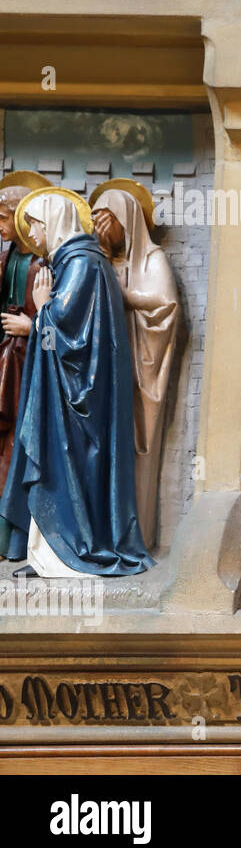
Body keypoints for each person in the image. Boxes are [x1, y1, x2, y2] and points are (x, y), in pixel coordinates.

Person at [0, 188, 151, 577]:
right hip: (66, 390)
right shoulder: (73, 261)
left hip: (76, 397)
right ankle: (47, 553)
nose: (32, 234)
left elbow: (67, 341)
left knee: (64, 467)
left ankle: (68, 552)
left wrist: (42, 311)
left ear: (54, 222)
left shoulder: (82, 264)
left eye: (35, 224)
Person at [90, 180, 180, 551]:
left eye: (103, 219)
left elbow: (164, 306)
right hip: (103, 371)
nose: (96, 227)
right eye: (92, 218)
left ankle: (133, 537)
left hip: (139, 368)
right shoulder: (97, 260)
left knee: (136, 449)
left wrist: (120, 292)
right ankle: (98, 535)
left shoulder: (152, 259)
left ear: (125, 220)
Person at [0, 172, 45, 560]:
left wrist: (30, 328)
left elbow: (54, 314)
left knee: (19, 442)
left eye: (3, 218)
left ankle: (14, 539)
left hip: (28, 360)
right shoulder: (7, 256)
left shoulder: (42, 261)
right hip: (4, 353)